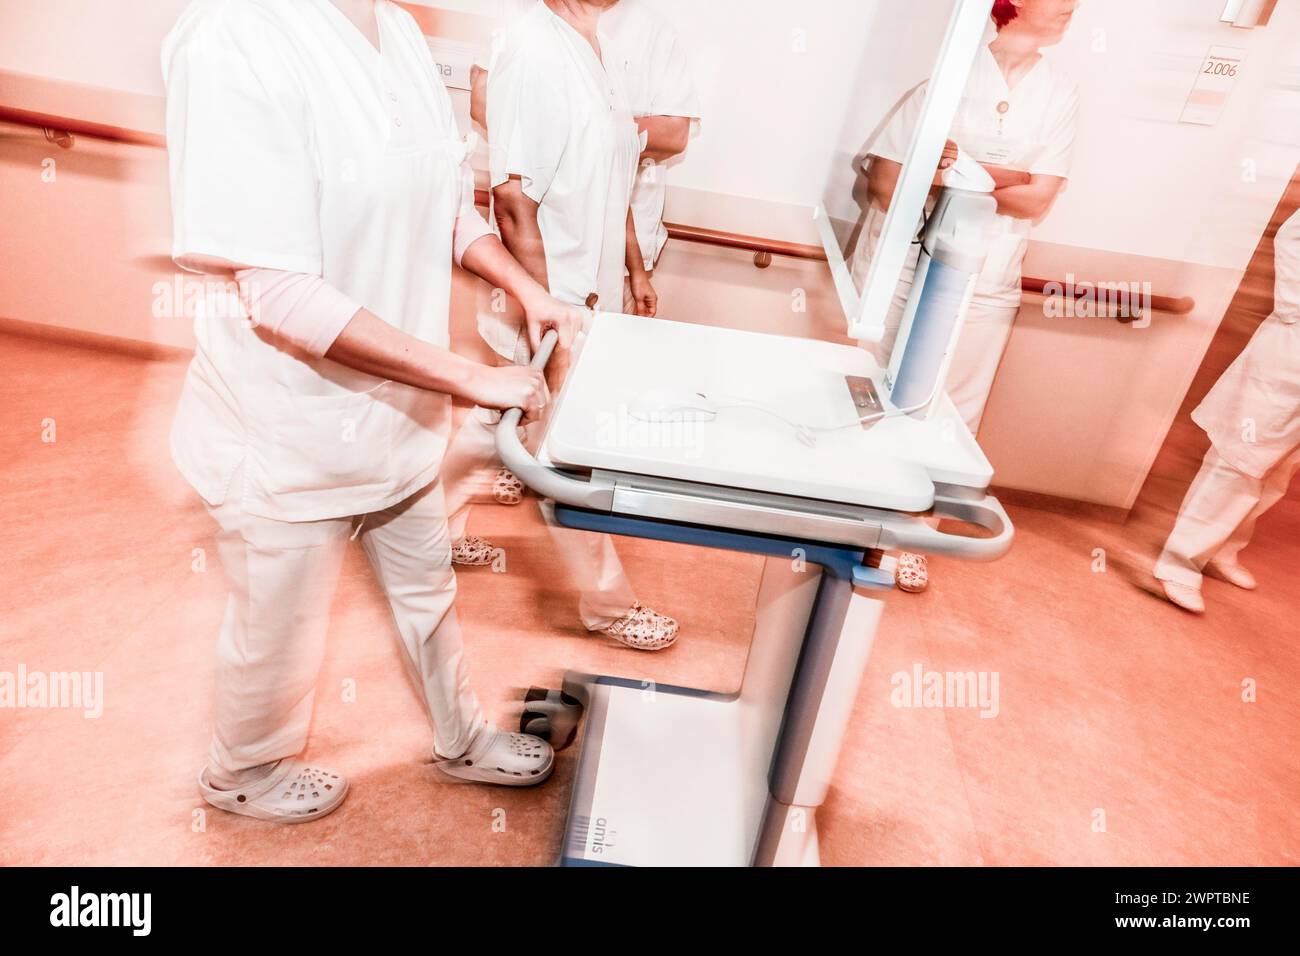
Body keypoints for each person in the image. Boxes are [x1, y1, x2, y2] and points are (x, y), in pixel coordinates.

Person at [162, 0, 587, 822]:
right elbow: (281, 296)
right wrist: (469, 377)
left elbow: (446, 207)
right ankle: (244, 770)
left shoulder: (396, 30)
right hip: (289, 423)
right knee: (279, 626)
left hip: (400, 415)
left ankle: (461, 737)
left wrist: (525, 287)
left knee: (429, 591)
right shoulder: (234, 36)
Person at [439, 0, 680, 651]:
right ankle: (608, 604)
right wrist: (541, 310)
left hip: (584, 296)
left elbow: (613, 178)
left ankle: (423, 536)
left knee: (494, 417)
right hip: (551, 299)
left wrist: (633, 268)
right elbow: (513, 201)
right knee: (565, 451)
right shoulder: (532, 47)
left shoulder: (601, 49)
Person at [850, 0, 1080, 592]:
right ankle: (858, 519)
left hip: (987, 275)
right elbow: (887, 184)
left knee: (956, 412)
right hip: (904, 266)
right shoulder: (948, 76)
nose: (1073, 7)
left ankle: (917, 533)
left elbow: (1039, 199)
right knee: (873, 394)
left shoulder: (1059, 94)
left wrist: (954, 169)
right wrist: (1008, 175)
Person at [1155, 209, 1300, 613]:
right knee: (1239, 460)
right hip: (1293, 350)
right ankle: (1179, 565)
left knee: (1280, 470)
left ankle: (1223, 548)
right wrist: (1295, 310)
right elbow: (1293, 236)